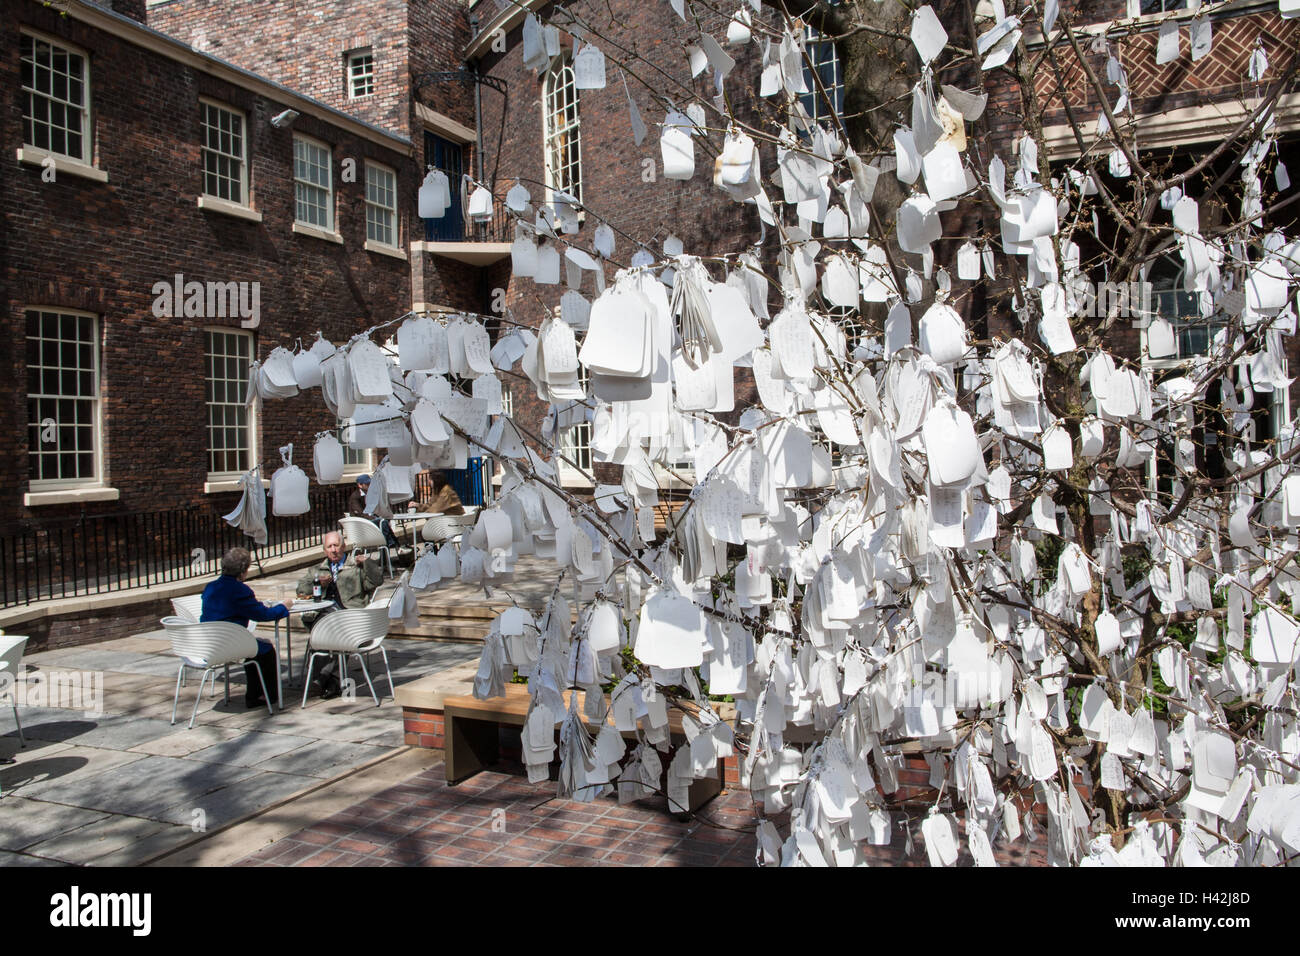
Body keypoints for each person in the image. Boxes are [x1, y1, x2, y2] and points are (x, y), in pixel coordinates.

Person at [295, 531, 383, 698]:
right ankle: (331, 682)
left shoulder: (355, 567)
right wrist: (318, 583)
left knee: (335, 630)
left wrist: (368, 563)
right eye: (329, 546)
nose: (333, 550)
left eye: (336, 545)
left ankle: (320, 679)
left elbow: (377, 581)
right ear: (324, 550)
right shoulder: (317, 570)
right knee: (322, 629)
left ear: (344, 546)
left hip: (349, 615)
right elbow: (301, 590)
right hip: (325, 614)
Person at [200, 547, 288, 709]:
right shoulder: (240, 590)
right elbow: (262, 615)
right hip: (230, 644)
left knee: (257, 648)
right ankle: (266, 695)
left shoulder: (210, 587)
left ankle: (254, 695)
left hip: (209, 644)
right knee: (266, 650)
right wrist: (284, 607)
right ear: (243, 571)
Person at [348, 474, 400, 548]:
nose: (370, 486)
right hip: (362, 524)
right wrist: (375, 518)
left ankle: (390, 545)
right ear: (360, 485)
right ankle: (393, 544)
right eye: (367, 484)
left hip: (371, 520)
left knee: (384, 522)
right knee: (383, 522)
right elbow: (361, 513)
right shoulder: (355, 497)